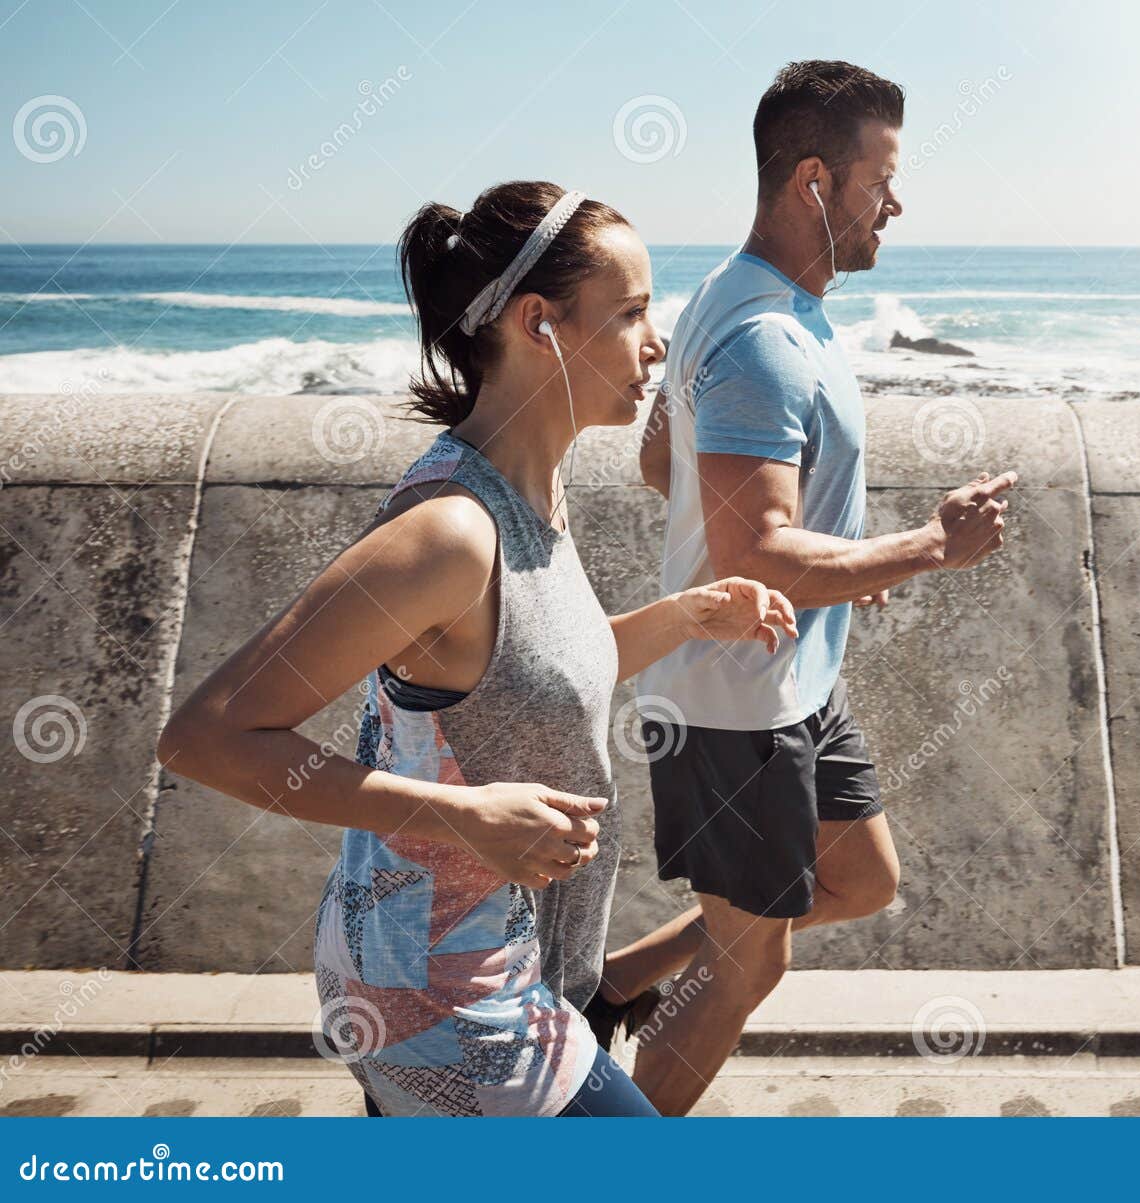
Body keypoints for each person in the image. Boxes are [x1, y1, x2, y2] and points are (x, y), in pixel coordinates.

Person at [156, 180, 797, 1118]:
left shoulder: (534, 492)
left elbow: (517, 677)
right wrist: (465, 817)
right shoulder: (453, 528)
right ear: (541, 323)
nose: (657, 341)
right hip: (445, 993)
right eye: (630, 312)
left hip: (470, 958)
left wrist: (689, 617)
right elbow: (207, 736)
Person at [599, 61, 1016, 1116]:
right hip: (732, 709)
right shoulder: (761, 341)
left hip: (791, 685)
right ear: (816, 184)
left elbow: (666, 467)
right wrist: (930, 545)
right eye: (882, 181)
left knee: (861, 880)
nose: (897, 205)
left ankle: (612, 980)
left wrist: (835, 564)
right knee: (750, 967)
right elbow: (757, 557)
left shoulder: (732, 300)